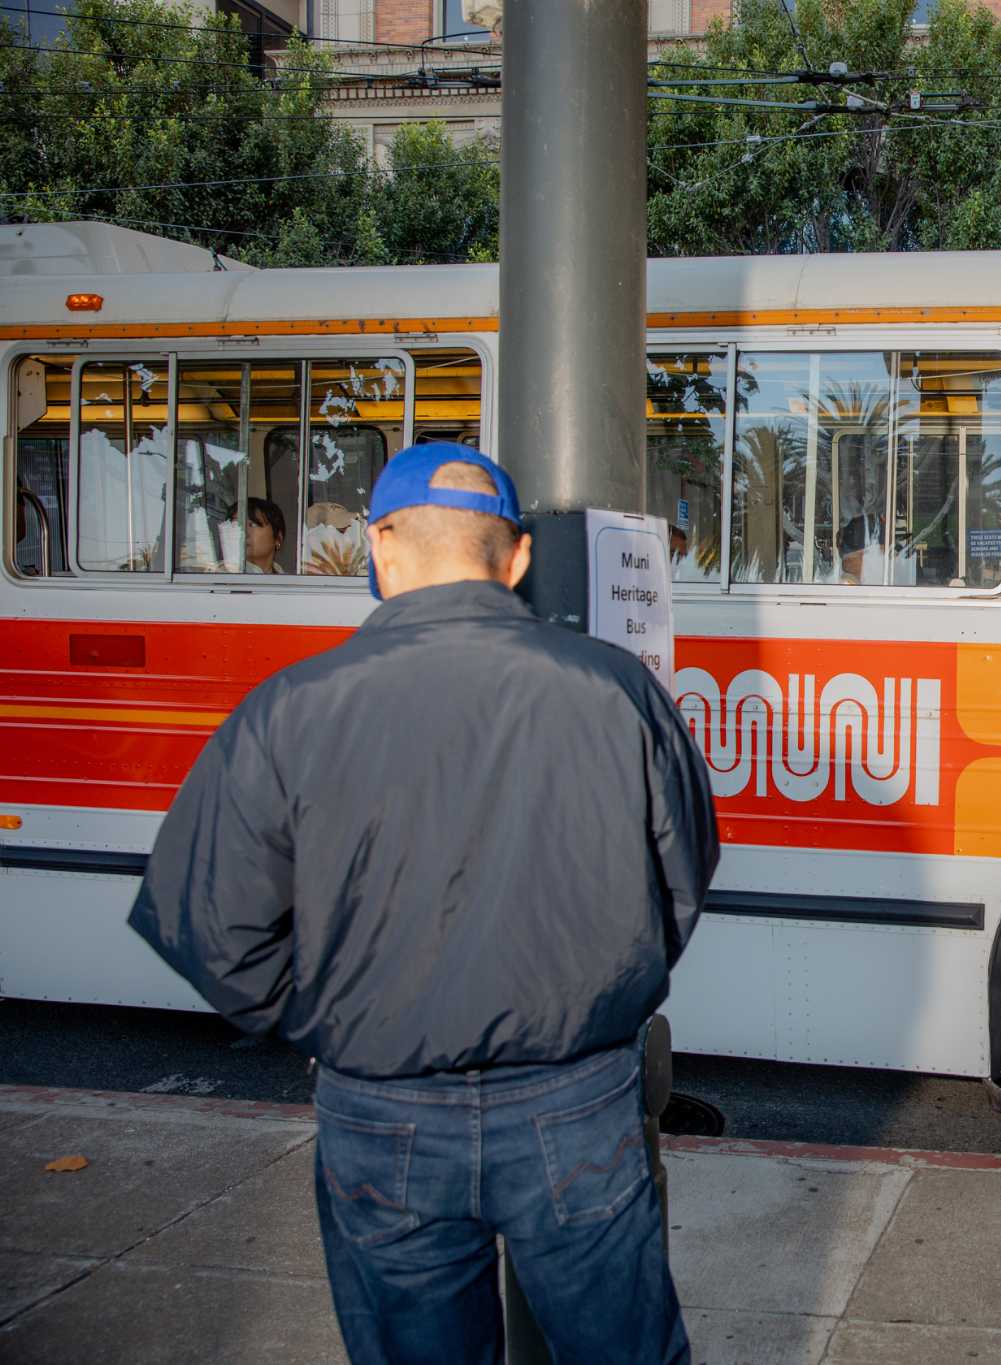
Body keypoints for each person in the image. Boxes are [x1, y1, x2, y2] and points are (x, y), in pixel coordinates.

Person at [128, 442, 718, 1364]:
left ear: (380, 548)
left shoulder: (289, 708)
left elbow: (214, 931)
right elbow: (682, 877)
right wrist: (605, 989)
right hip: (576, 1102)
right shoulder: (617, 690)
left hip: (381, 1109)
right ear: (515, 557)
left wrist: (337, 1017)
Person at [244, 496, 287, 574]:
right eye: (235, 525)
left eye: (252, 525)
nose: (243, 533)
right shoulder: (218, 576)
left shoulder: (290, 583)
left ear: (278, 538)